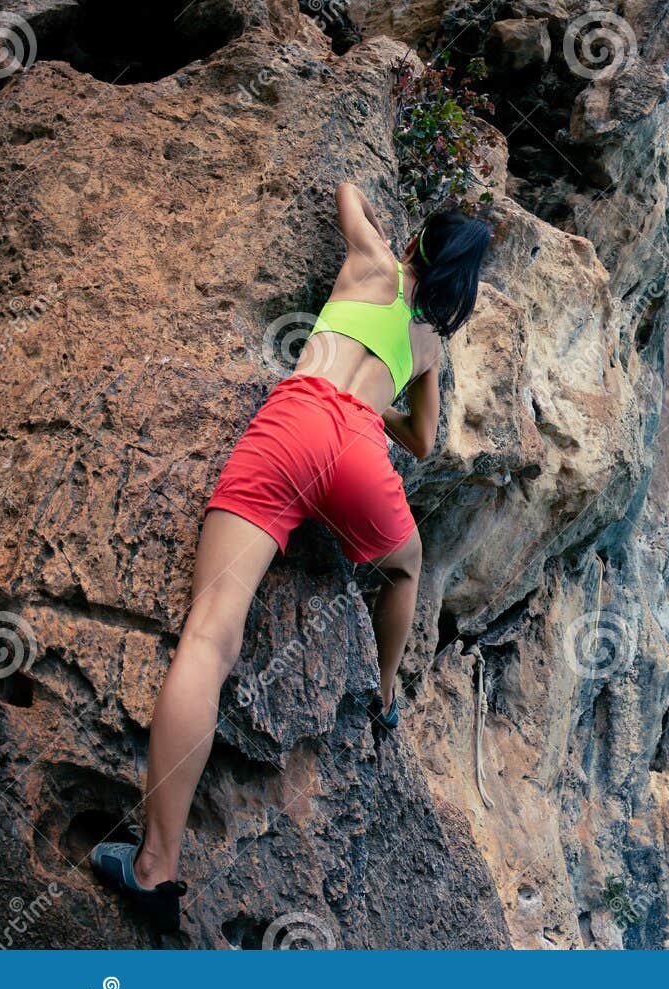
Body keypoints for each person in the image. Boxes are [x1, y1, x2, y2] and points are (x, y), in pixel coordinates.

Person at [89, 183, 493, 933]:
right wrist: (383, 394)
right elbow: (425, 442)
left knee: (210, 636)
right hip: (359, 452)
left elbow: (345, 193)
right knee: (405, 564)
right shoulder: (431, 345)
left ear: (413, 245)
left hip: (294, 419)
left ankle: (156, 866)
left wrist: (386, 223)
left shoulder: (372, 259)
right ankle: (382, 692)